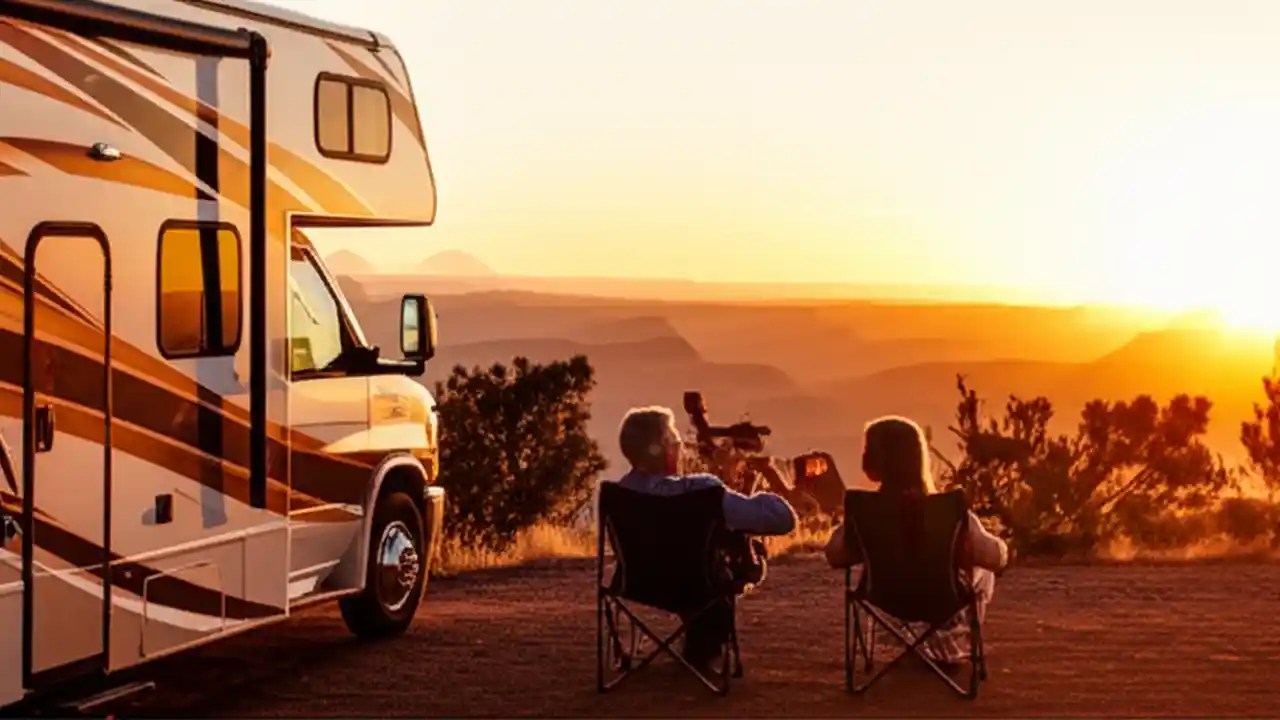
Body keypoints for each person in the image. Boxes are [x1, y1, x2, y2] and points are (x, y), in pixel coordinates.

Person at [609, 406, 797, 672]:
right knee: (736, 552)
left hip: (638, 583)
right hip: (699, 585)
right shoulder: (700, 491)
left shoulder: (618, 496)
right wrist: (763, 491)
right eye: (676, 442)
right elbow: (781, 519)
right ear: (663, 448)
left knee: (698, 555)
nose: (681, 449)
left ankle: (699, 641)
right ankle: (705, 644)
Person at [823, 415, 1009, 666]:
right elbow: (995, 558)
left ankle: (935, 642)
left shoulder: (864, 513)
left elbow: (835, 555)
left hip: (883, 597)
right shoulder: (949, 511)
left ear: (871, 462)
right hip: (943, 597)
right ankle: (953, 641)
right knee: (983, 573)